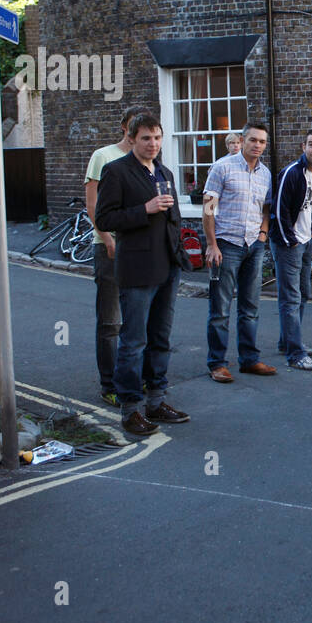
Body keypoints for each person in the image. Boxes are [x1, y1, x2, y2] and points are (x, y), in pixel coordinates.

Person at [94, 114, 192, 436]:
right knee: (134, 341)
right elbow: (105, 218)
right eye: (146, 138)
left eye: (157, 138)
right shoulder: (116, 171)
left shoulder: (163, 171)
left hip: (167, 266)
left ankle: (156, 401)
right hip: (137, 269)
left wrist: (179, 251)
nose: (153, 144)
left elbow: (172, 216)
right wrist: (144, 210)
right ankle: (131, 409)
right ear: (132, 139)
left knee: (160, 339)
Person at [84, 105, 152, 405]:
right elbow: (93, 205)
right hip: (110, 247)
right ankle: (110, 384)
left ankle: (134, 379)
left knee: (138, 320)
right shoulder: (103, 156)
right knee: (110, 321)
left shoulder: (146, 160)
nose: (148, 139)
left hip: (141, 250)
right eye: (135, 127)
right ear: (125, 127)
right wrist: (108, 240)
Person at [203, 122, 276, 382]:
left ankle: (249, 360)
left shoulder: (265, 174)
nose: (257, 145)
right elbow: (209, 207)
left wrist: (263, 235)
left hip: (254, 246)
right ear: (242, 140)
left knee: (250, 307)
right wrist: (211, 244)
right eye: (253, 140)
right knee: (220, 308)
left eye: (262, 142)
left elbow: (266, 209)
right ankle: (217, 363)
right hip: (226, 244)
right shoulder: (222, 167)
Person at [271, 129, 312, 371]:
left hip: (306, 241)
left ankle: (287, 342)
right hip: (288, 244)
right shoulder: (291, 173)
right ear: (303, 147)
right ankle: (295, 354)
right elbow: (278, 210)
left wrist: (310, 231)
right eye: (311, 145)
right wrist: (291, 240)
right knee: (291, 298)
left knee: (303, 293)